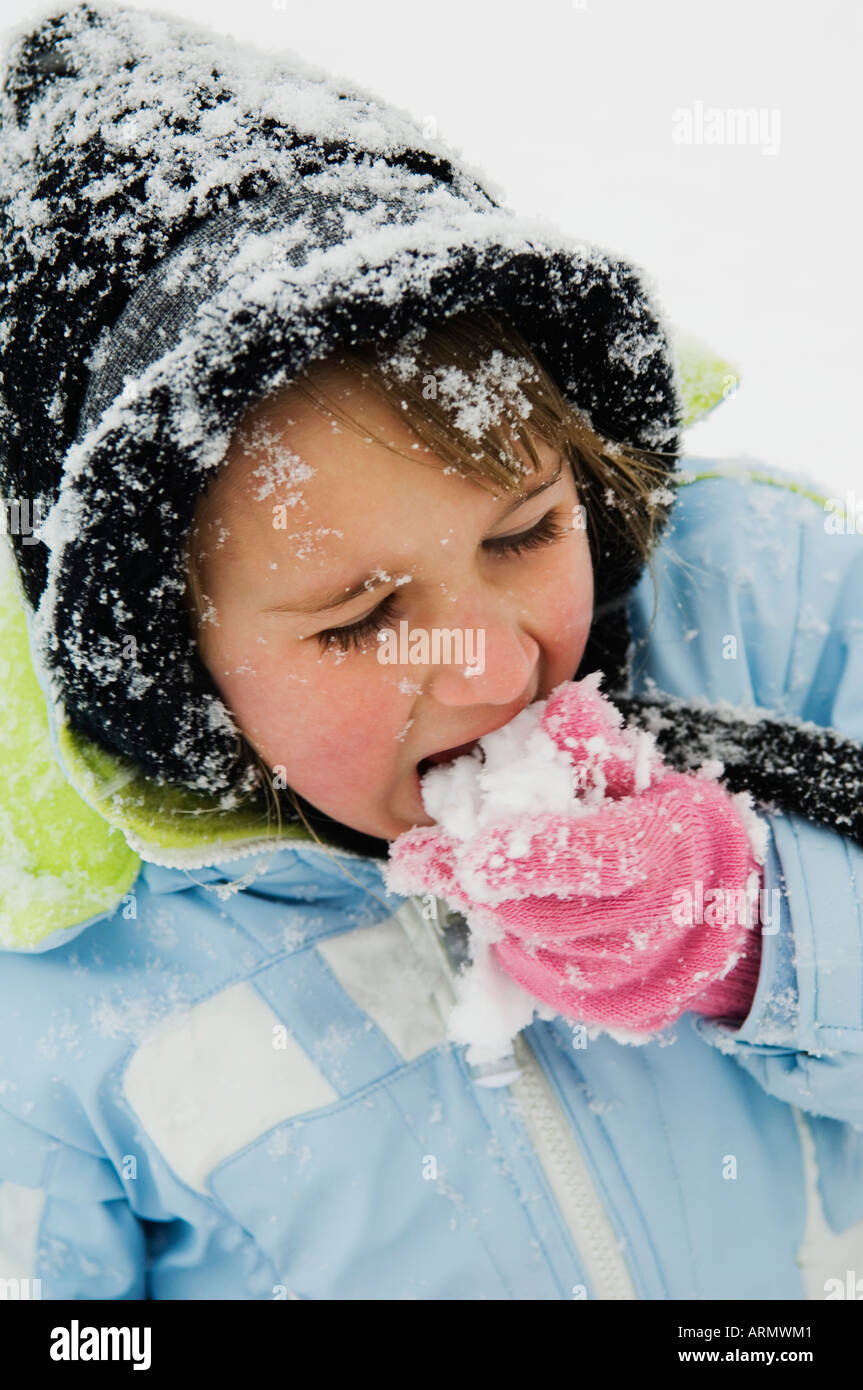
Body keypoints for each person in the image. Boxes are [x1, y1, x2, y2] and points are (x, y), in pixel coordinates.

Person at [0, 0, 861, 1301]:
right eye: (358, 618)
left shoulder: (769, 612)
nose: (491, 668)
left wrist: (757, 929)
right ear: (175, 661)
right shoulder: (65, 977)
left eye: (524, 533)